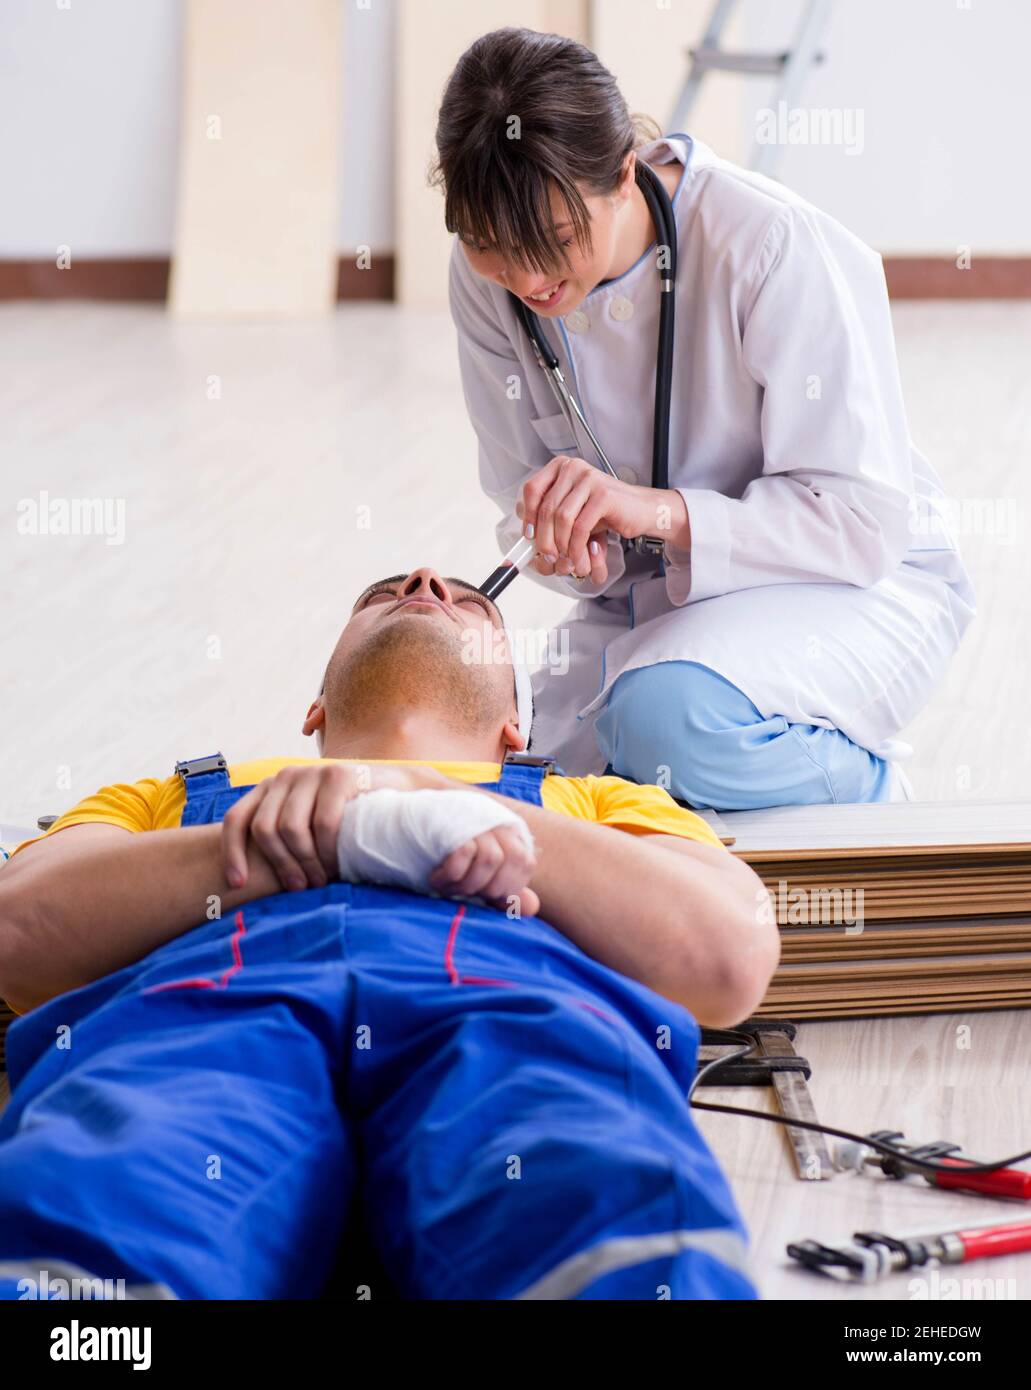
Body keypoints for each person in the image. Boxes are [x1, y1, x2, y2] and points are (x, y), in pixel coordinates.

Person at [0, 567, 777, 1300]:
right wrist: (343, 833)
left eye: (471, 601)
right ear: (314, 711)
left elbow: (727, 955)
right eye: (383, 591)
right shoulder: (161, 795)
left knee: (596, 1198)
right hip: (203, 1020)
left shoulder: (596, 799)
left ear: (515, 724)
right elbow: (17, 934)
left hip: (513, 1018)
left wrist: (414, 794)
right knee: (99, 1212)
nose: (426, 582)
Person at [436, 27, 975, 810]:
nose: (525, 279)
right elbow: (519, 485)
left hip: (852, 580)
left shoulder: (769, 245)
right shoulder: (481, 280)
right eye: (489, 245)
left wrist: (653, 512)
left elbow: (860, 521)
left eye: (553, 241)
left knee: (663, 725)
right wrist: (574, 544)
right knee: (520, 800)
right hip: (654, 603)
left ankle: (864, 789)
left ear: (623, 175)